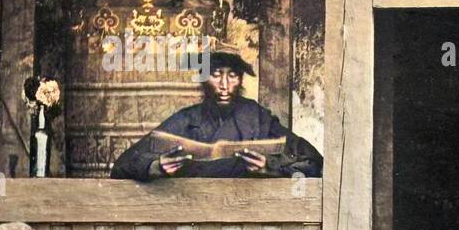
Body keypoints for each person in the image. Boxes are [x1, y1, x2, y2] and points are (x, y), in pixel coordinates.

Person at [111, 50, 322, 180]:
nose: (224, 85)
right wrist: (156, 166)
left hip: (246, 213)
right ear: (204, 80)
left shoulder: (256, 117)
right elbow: (122, 166)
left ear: (240, 80)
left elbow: (314, 163)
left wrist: (270, 168)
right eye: (215, 75)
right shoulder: (186, 119)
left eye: (232, 76)